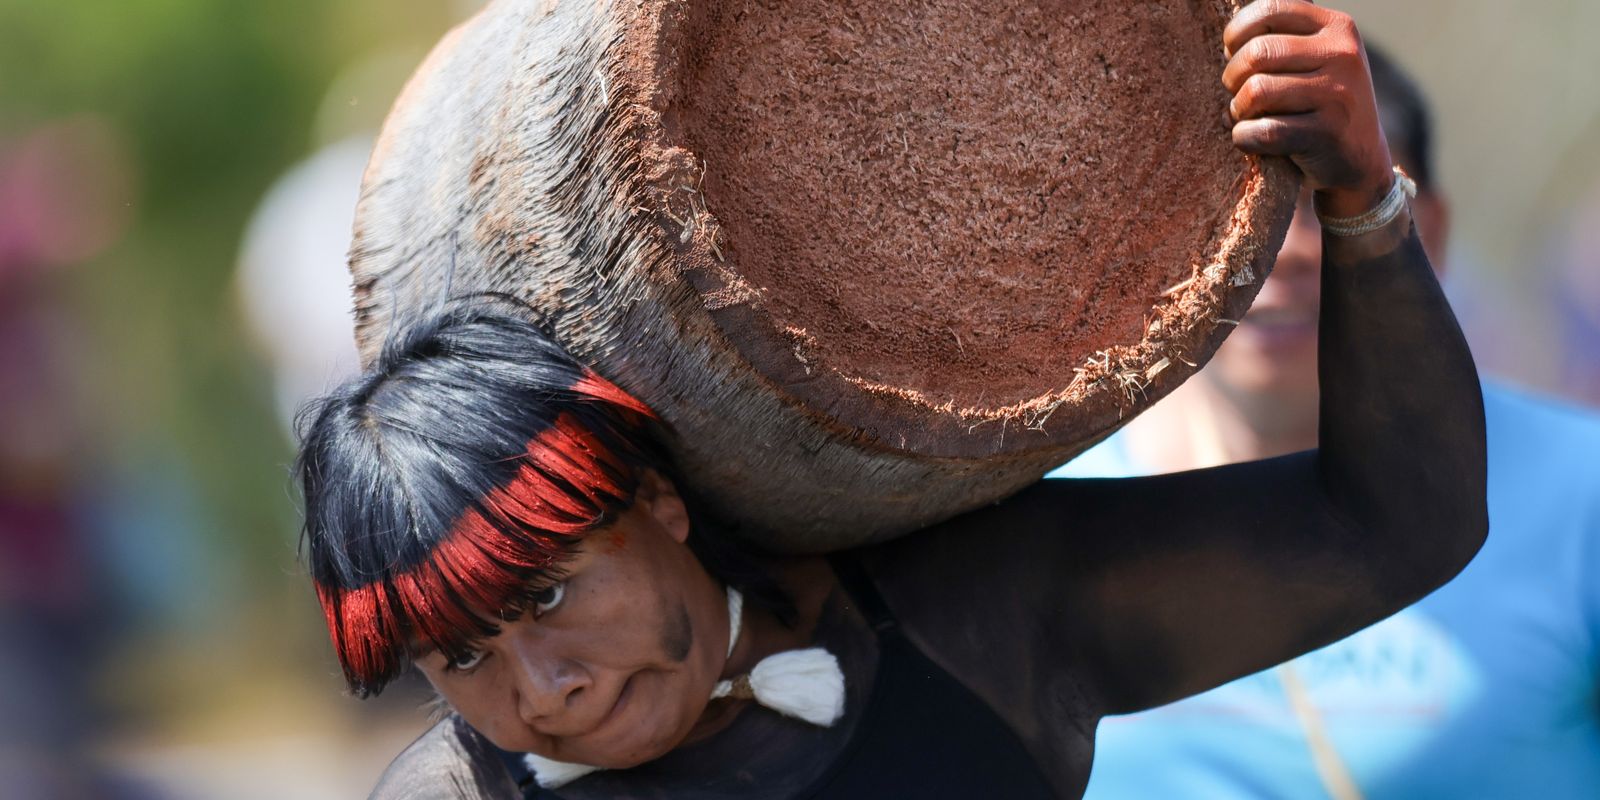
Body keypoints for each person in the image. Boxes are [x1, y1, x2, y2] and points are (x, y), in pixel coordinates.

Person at [296, 4, 1488, 798]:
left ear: (655, 501)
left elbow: (1398, 522)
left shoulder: (974, 623)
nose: (543, 689)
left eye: (550, 591)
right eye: (461, 654)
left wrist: (1363, 204)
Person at [1055, 44, 1600, 800]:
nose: (1284, 253)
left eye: (1330, 198)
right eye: (1234, 203)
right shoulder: (1048, 511)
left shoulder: (1581, 493)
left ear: (1426, 230)